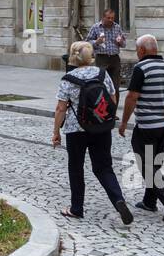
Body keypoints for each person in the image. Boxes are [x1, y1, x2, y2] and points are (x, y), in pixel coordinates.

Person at [52, 41, 133, 225]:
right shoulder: (102, 74)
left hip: (76, 129)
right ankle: (118, 199)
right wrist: (109, 118)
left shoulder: (68, 79)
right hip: (101, 127)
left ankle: (76, 208)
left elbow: (60, 108)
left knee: (76, 167)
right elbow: (112, 98)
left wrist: (56, 131)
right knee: (104, 167)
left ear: (73, 56)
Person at [118, 34, 164, 222]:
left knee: (147, 165)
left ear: (141, 50)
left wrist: (124, 122)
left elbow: (132, 97)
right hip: (163, 126)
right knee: (154, 163)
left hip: (146, 126)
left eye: (136, 50)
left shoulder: (141, 68)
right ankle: (149, 201)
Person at [85, 7, 127, 90]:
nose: (111, 20)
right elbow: (87, 43)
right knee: (101, 83)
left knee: (115, 85)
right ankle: (103, 102)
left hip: (115, 58)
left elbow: (124, 44)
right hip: (101, 59)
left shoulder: (117, 27)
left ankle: (114, 103)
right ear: (103, 17)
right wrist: (96, 42)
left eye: (112, 18)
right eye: (108, 18)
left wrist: (121, 42)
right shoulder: (96, 27)